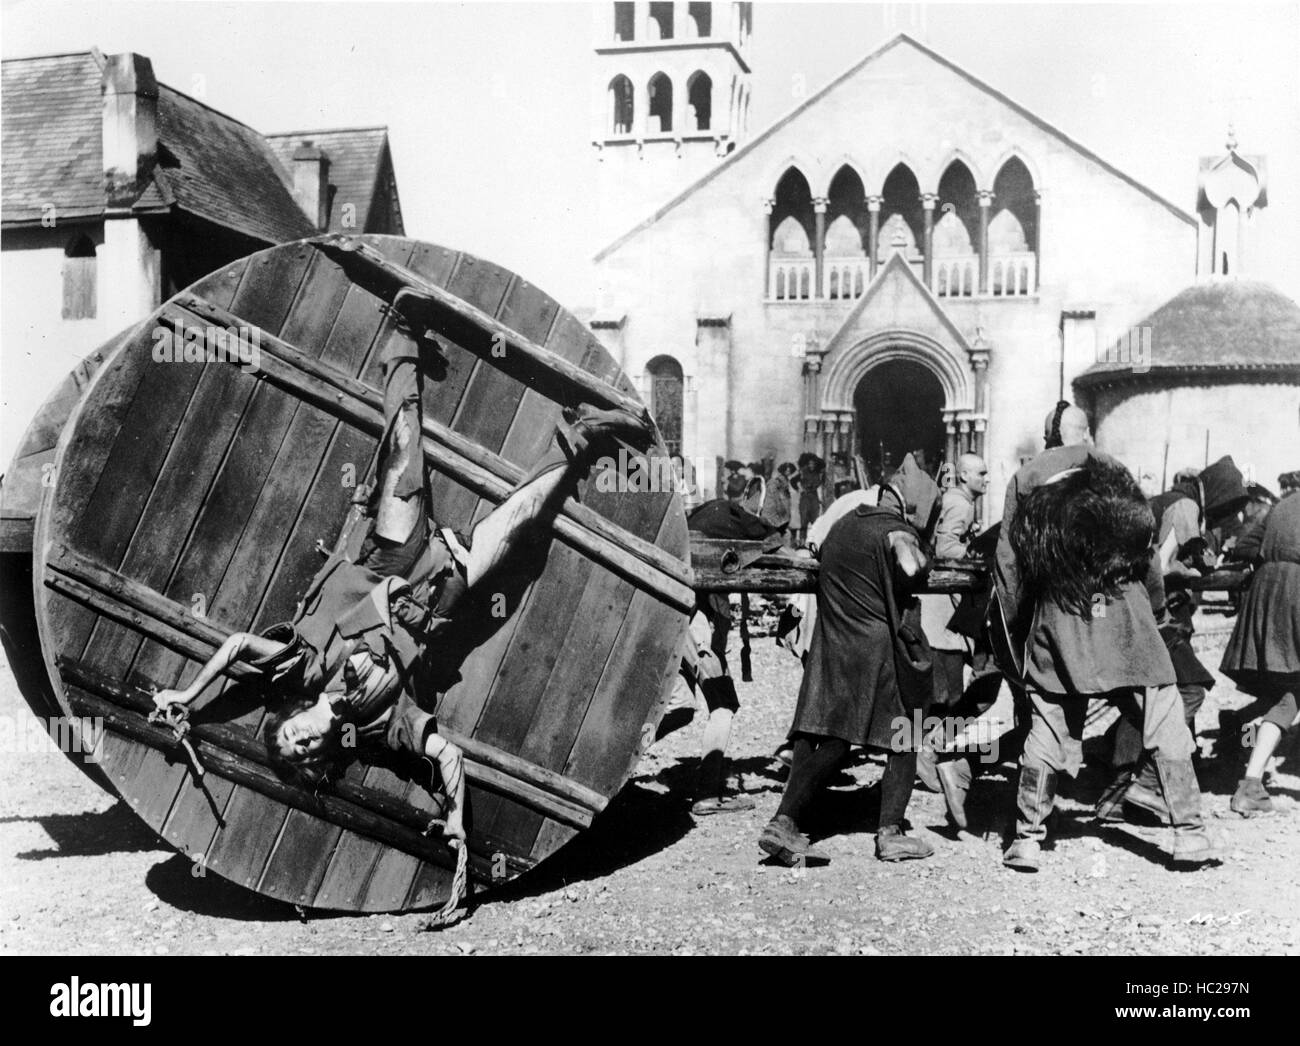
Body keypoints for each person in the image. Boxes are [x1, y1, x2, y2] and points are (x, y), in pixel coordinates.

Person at [153, 335, 656, 843]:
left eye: (288, 736)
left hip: (387, 563)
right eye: (302, 754)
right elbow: (446, 754)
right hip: (440, 595)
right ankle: (584, 431)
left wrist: (189, 699)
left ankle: (401, 341)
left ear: (292, 714)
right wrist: (457, 815)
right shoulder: (381, 729)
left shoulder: (302, 668)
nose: (300, 743)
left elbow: (239, 645)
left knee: (403, 457)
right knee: (521, 522)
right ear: (320, 756)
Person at [995, 402, 1217, 870]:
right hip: (1126, 605)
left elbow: (1009, 560)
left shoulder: (1028, 475)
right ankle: (1190, 835)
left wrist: (1020, 627)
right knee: (1164, 717)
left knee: (1048, 720)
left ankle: (1028, 840)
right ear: (1088, 434)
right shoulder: (1114, 469)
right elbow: (1148, 548)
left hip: (1063, 609)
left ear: (1050, 436)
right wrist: (1152, 612)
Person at [759, 483, 935, 865]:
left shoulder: (842, 525)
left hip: (831, 640)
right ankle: (890, 833)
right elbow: (909, 564)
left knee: (825, 733)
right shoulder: (895, 529)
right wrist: (920, 559)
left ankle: (786, 820)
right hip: (873, 650)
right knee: (902, 735)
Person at [663, 475, 781, 813]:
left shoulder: (707, 514)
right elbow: (774, 543)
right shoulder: (732, 519)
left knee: (681, 708)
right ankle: (707, 795)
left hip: (681, 618)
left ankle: (621, 760)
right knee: (723, 705)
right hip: (697, 622)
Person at [1219, 492, 1300, 814]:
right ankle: (1251, 785)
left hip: (1267, 592)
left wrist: (1274, 561)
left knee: (1283, 682)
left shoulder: (1286, 502)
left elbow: (1245, 546)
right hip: (1297, 596)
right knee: (1294, 692)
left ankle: (1237, 727)